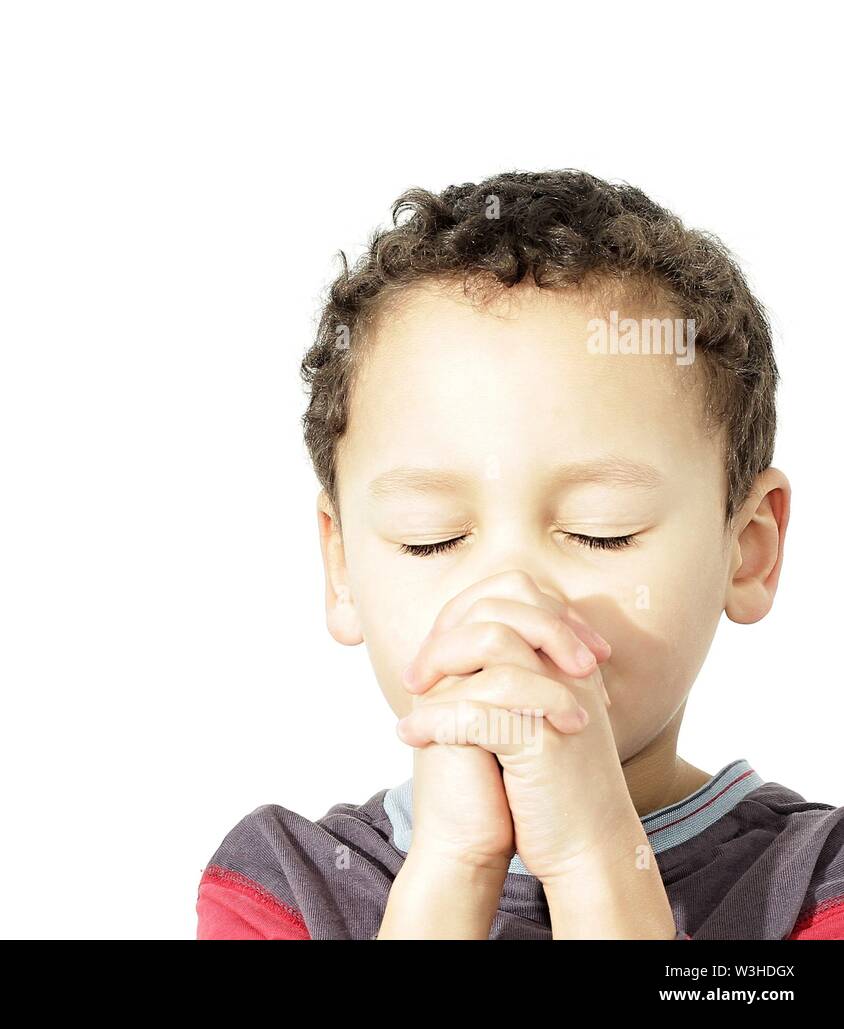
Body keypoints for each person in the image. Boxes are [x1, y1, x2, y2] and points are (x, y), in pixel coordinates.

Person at [195, 169, 844, 939]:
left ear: (747, 551)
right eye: (429, 535)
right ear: (342, 570)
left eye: (603, 528)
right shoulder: (281, 887)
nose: (511, 597)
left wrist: (594, 857)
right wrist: (451, 867)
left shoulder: (813, 888)